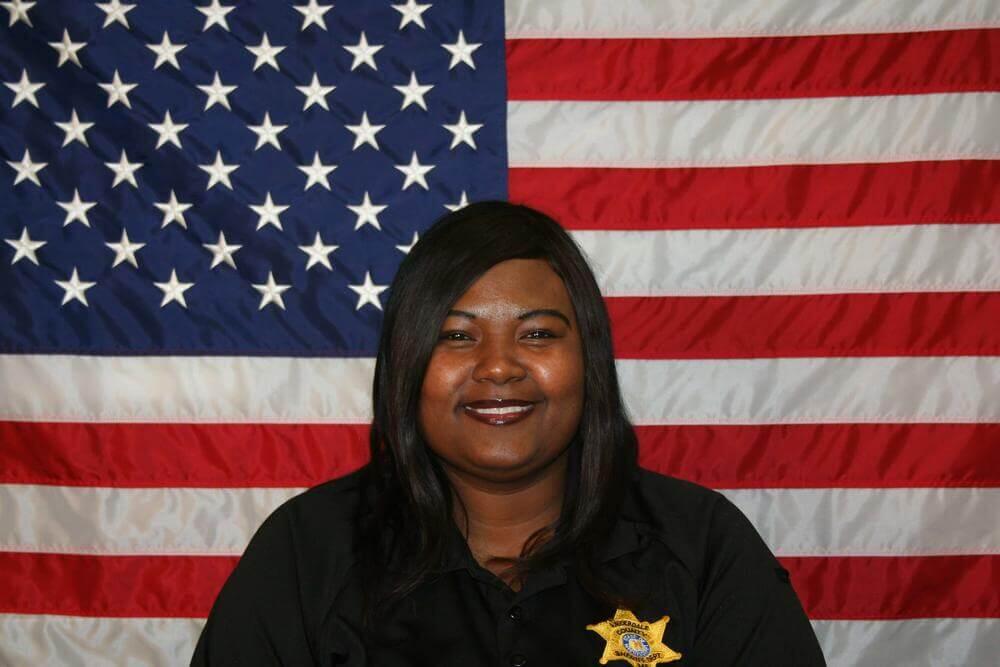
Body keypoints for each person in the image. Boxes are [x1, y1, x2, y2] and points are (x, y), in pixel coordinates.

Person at [191, 201, 826, 666]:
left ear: (589, 362)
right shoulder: (308, 553)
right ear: (408, 366)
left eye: (539, 334)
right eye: (457, 336)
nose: (498, 366)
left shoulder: (701, 548)